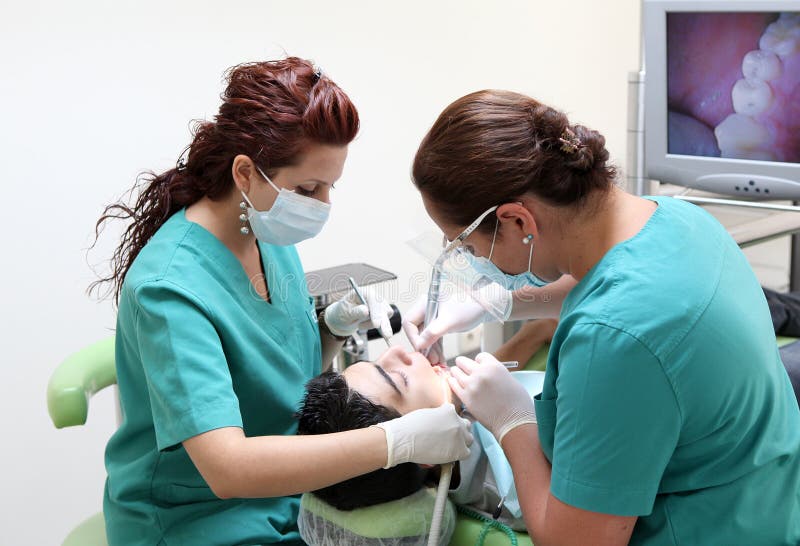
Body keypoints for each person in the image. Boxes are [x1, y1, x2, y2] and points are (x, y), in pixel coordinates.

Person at [92, 58, 472, 546]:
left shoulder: (266, 236)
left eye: (330, 186)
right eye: (308, 189)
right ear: (245, 173)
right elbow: (227, 469)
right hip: (195, 519)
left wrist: (331, 330)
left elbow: (274, 379)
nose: (323, 205)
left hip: (287, 495)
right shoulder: (170, 290)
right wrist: (397, 441)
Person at [403, 89, 800, 545]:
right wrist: (499, 301)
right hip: (772, 499)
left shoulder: (612, 340)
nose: (475, 263)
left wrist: (513, 422)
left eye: (471, 249)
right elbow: (609, 279)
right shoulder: (678, 218)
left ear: (518, 222)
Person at [294, 345, 540, 541]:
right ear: (424, 447)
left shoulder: (466, 417)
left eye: (376, 361)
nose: (396, 351)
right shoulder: (515, 487)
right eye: (401, 378)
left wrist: (535, 328)